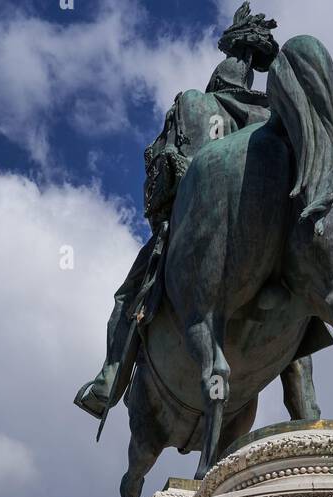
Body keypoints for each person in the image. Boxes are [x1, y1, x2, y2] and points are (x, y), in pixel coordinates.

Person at [75, 4, 279, 422]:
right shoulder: (268, 117)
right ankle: (303, 399)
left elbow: (167, 175)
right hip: (270, 232)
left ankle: (109, 379)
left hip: (199, 223)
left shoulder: (193, 103)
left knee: (124, 296)